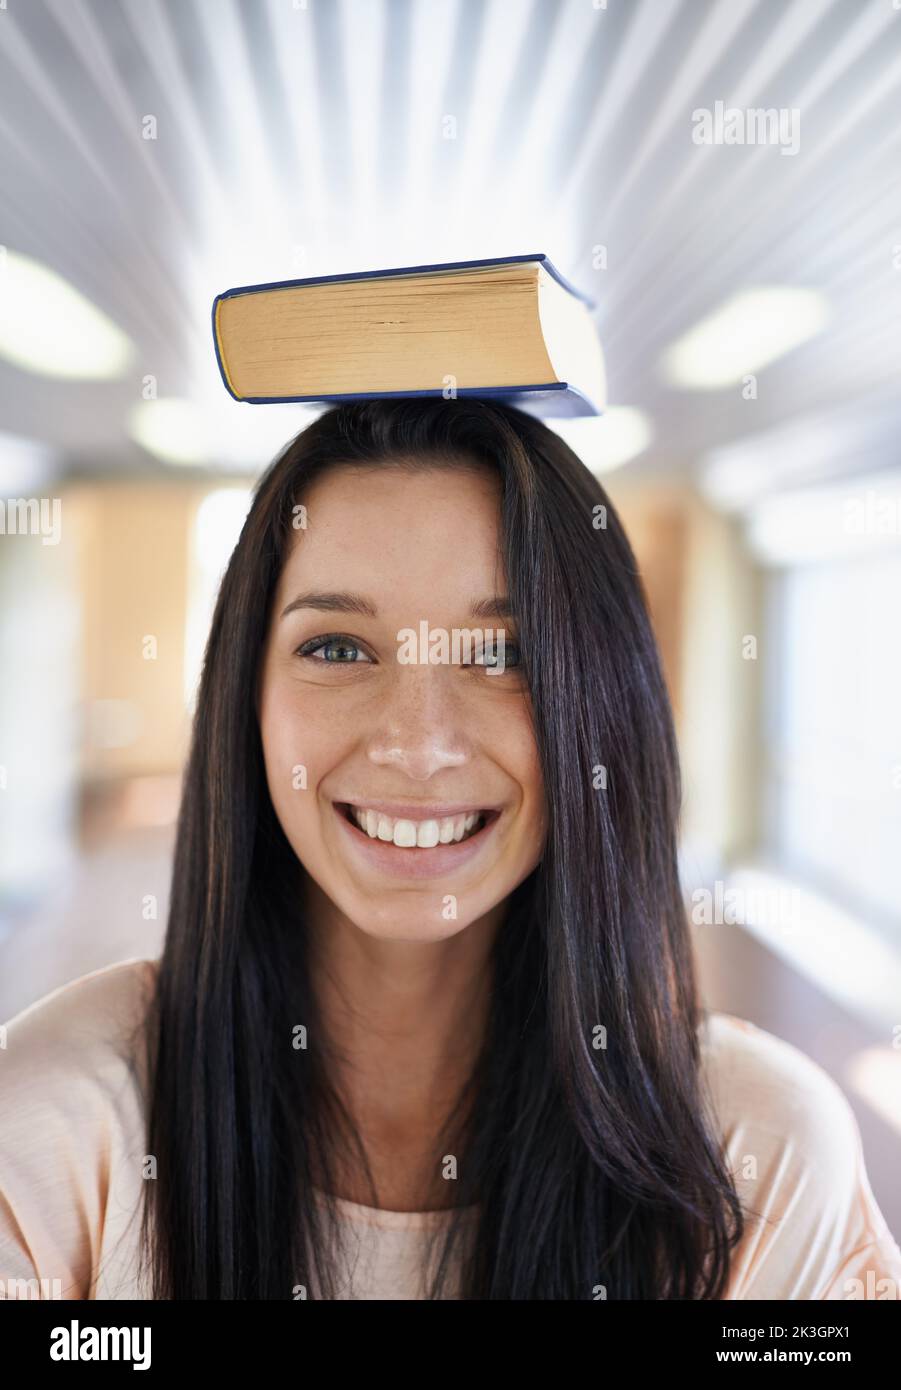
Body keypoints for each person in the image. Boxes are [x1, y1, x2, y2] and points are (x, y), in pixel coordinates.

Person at [1, 399, 899, 1300]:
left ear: (600, 704)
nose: (415, 744)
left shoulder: (760, 1152)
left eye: (502, 653)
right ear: (246, 698)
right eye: (340, 646)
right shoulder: (47, 1123)